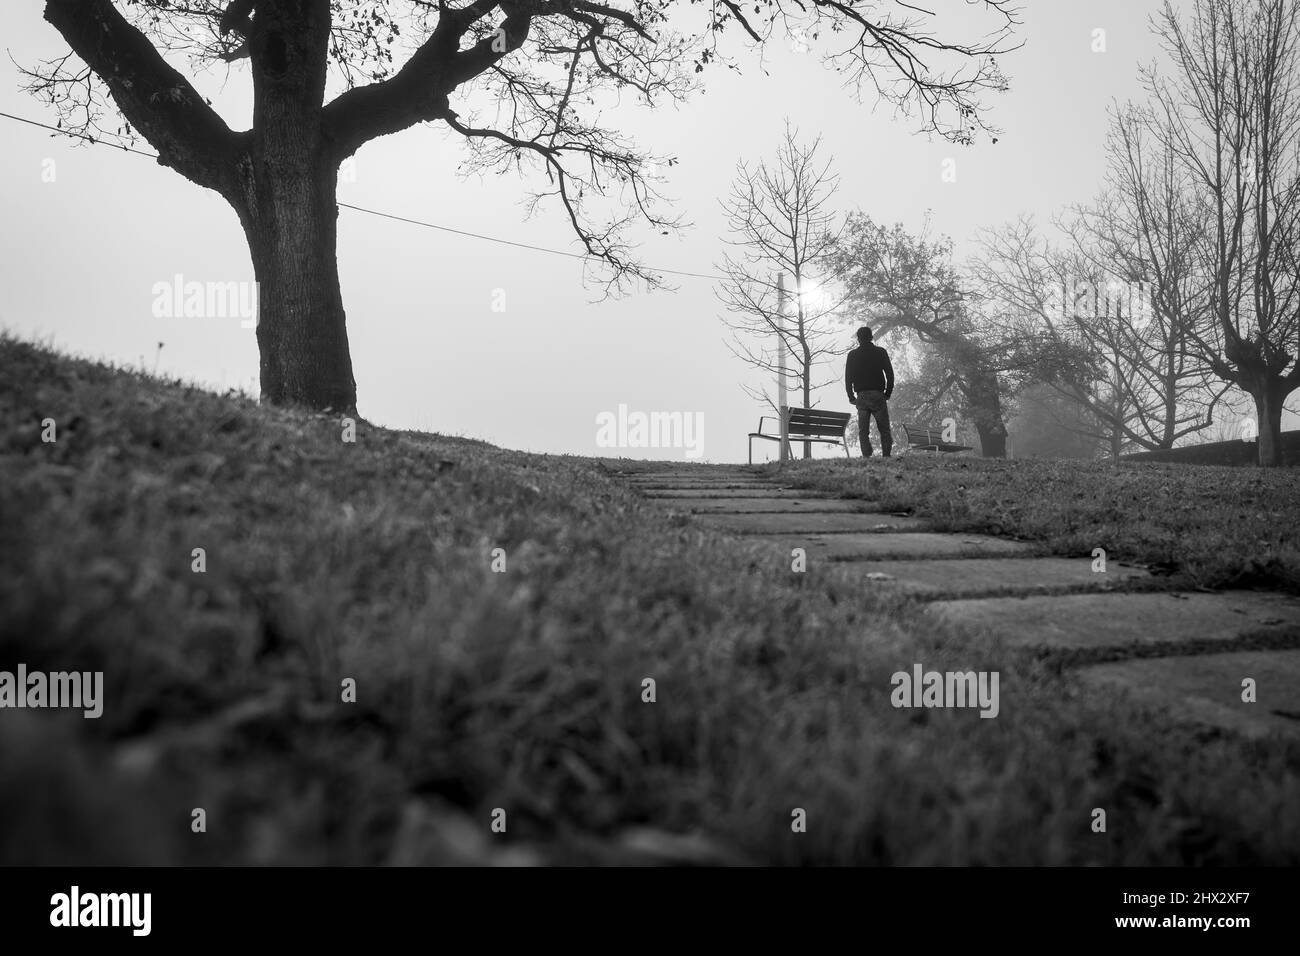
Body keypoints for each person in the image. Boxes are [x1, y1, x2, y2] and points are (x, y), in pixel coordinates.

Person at [845, 327, 894, 457]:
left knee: (863, 430)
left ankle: (867, 455)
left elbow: (848, 377)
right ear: (871, 337)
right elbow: (890, 374)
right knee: (884, 429)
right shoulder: (880, 352)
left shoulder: (852, 355)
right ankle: (886, 455)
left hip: (861, 396)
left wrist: (851, 396)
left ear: (858, 339)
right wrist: (887, 393)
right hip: (878, 394)